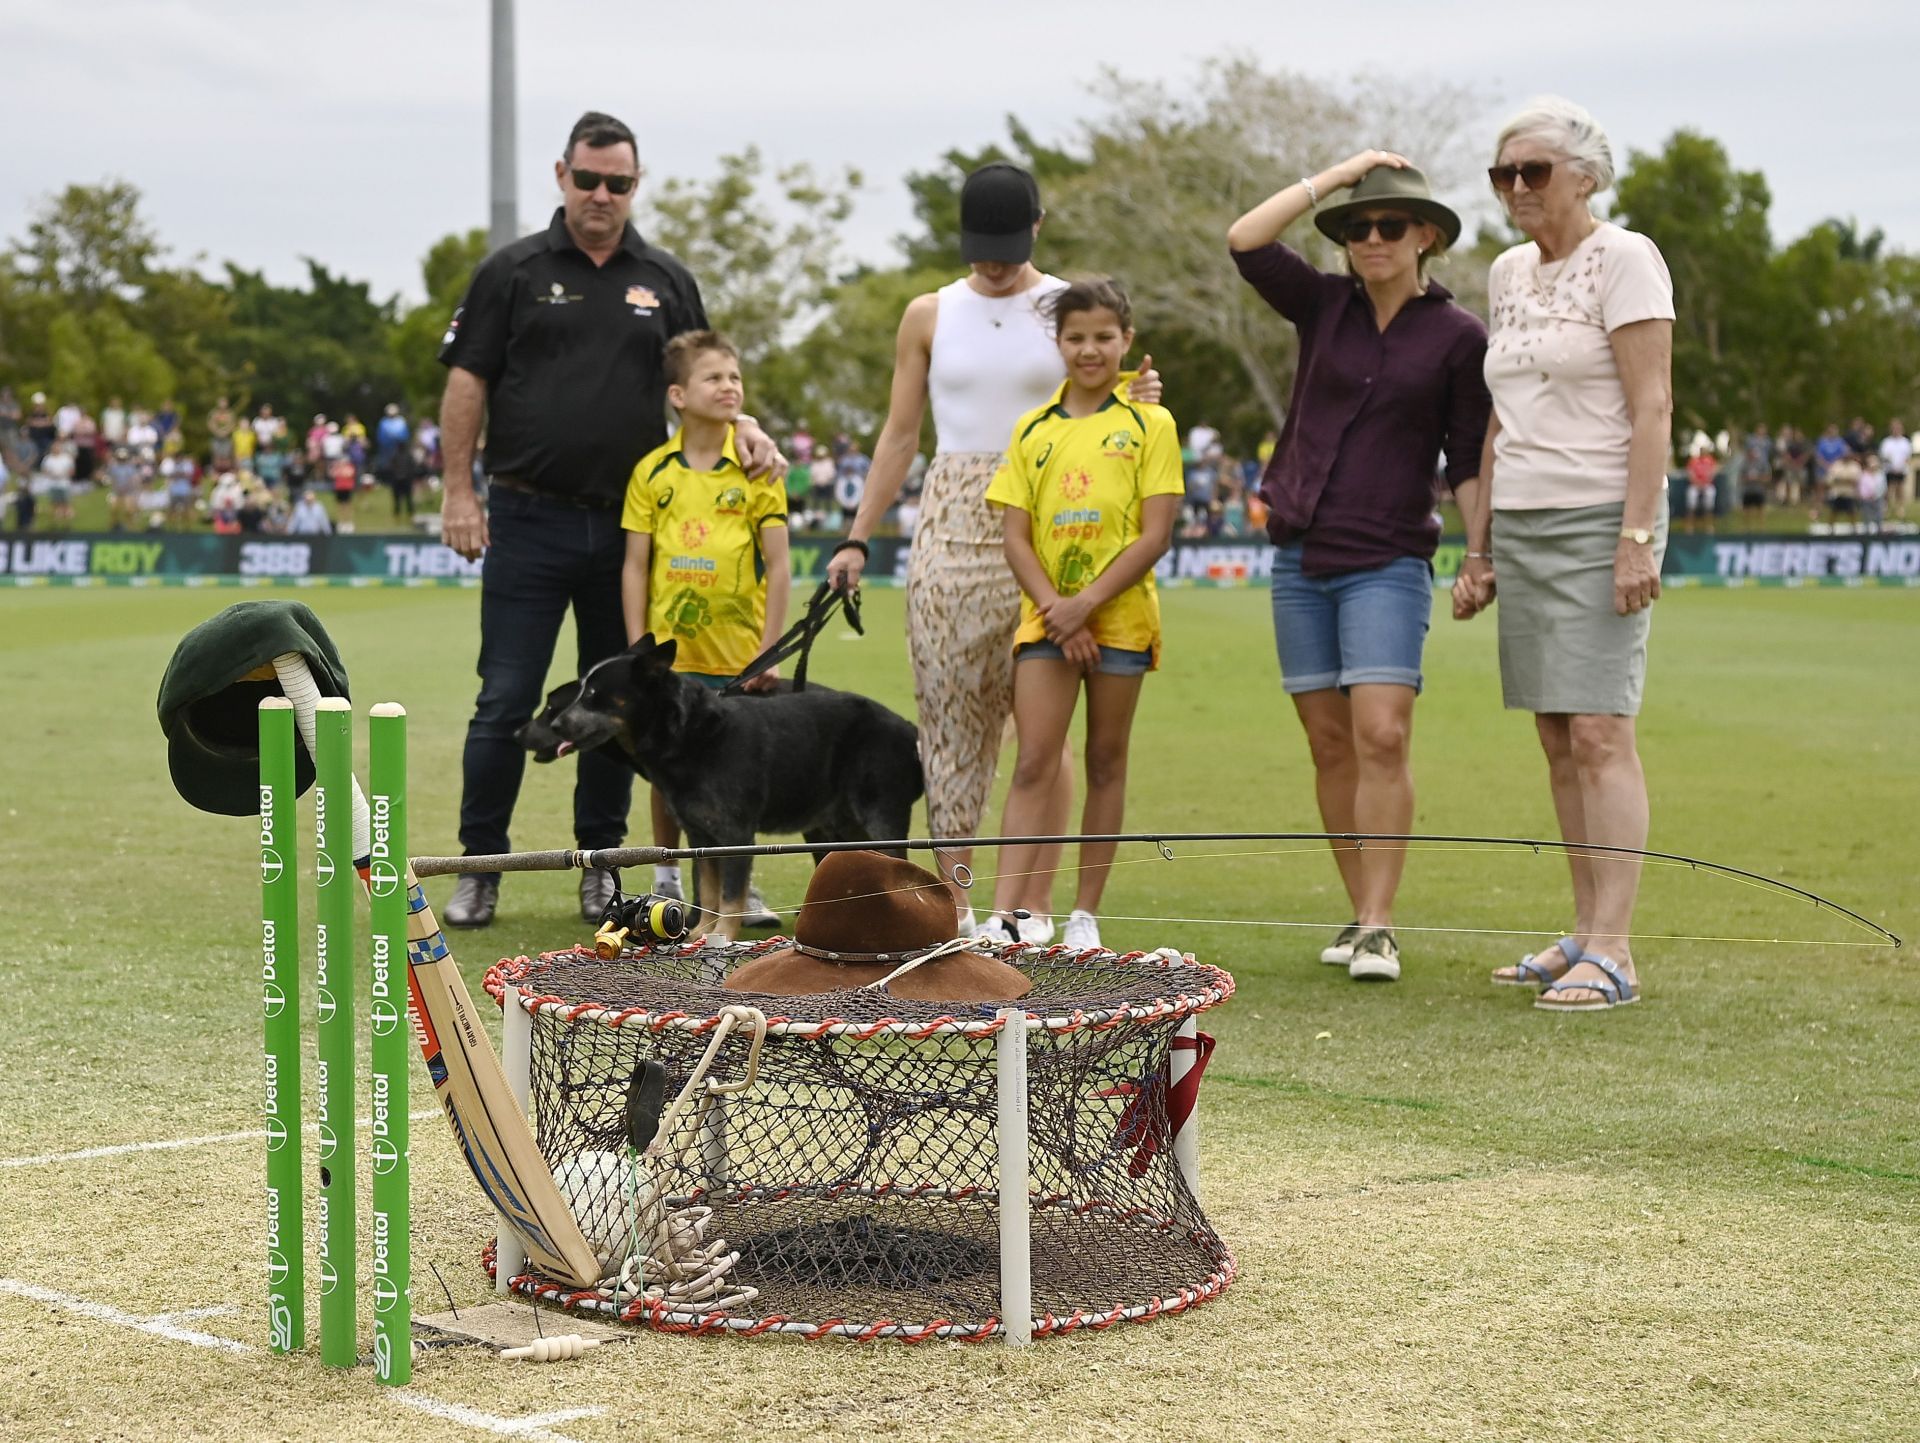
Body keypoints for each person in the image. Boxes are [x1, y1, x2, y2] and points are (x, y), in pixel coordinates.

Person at [435, 109, 781, 928]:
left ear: (636, 183)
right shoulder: (512, 270)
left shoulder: (663, 277)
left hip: (631, 532)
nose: (601, 194)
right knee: (506, 696)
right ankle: (479, 866)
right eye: (587, 179)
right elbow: (466, 381)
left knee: (619, 708)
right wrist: (457, 488)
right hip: (527, 517)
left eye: (617, 182)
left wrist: (751, 423)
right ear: (561, 175)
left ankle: (603, 864)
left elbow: (708, 375)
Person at [825, 162, 1161, 941]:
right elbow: (901, 434)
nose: (995, 263)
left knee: (1043, 725)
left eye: (1008, 246)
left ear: (1037, 228)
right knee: (948, 723)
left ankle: (1030, 906)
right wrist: (856, 533)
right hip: (953, 513)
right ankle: (960, 904)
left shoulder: (1068, 306)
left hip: (1054, 517)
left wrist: (1143, 402)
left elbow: (1111, 402)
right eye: (981, 247)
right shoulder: (929, 312)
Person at [1228, 153, 1491, 983]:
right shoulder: (1322, 304)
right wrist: (1346, 174)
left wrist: (1480, 554)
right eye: (1357, 228)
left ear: (1427, 238)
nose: (1370, 239)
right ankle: (1358, 912)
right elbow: (1244, 238)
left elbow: (1468, 459)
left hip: (1387, 557)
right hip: (1301, 553)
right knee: (1327, 740)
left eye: (1389, 225)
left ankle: (1381, 920)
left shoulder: (1459, 337)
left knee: (1382, 732)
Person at [1454, 96, 1675, 1012]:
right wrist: (1480, 545)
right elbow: (1502, 415)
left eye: (1533, 172)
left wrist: (1635, 534)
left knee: (1599, 729)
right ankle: (1582, 931)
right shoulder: (1507, 272)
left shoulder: (1626, 260)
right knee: (1554, 731)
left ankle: (1616, 947)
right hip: (1527, 520)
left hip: (1599, 516)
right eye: (1502, 174)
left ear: (1585, 176)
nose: (1515, 190)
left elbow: (1653, 406)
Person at [981, 277, 1181, 951]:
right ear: (1057, 342)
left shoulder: (1149, 424)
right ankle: (1007, 914)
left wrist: (1086, 606)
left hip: (1121, 623)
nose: (1089, 349)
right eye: (1075, 337)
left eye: (1103, 337)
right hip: (1045, 622)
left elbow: (1154, 534)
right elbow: (1015, 535)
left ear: (1126, 341)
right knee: (1035, 758)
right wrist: (1056, 610)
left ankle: (1084, 914)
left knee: (1105, 759)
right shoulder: (1032, 429)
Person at [619, 330, 789, 923]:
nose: (729, 387)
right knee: (668, 771)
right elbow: (636, 564)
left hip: (738, 657)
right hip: (671, 659)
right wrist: (639, 650)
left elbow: (781, 562)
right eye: (714, 378)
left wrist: (769, 650)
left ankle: (742, 884)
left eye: (735, 378)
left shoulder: (758, 470)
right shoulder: (651, 473)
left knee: (736, 777)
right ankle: (668, 876)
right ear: (678, 395)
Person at [1878, 419, 1911, 523]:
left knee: (1900, 490)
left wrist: (1900, 467)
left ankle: (1900, 510)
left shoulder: (1905, 442)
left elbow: (1907, 457)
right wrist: (1891, 466)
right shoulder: (1887, 442)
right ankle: (1886, 510)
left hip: (1901, 470)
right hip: (1889, 470)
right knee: (1888, 491)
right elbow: (1884, 456)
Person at [1684, 444, 1717, 534]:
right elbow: (1690, 474)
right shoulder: (1694, 461)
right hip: (1695, 485)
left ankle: (1709, 526)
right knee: (1691, 498)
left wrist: (1705, 482)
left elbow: (1712, 473)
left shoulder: (1710, 461)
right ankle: (1689, 526)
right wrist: (1697, 483)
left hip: (1707, 484)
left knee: (1710, 497)